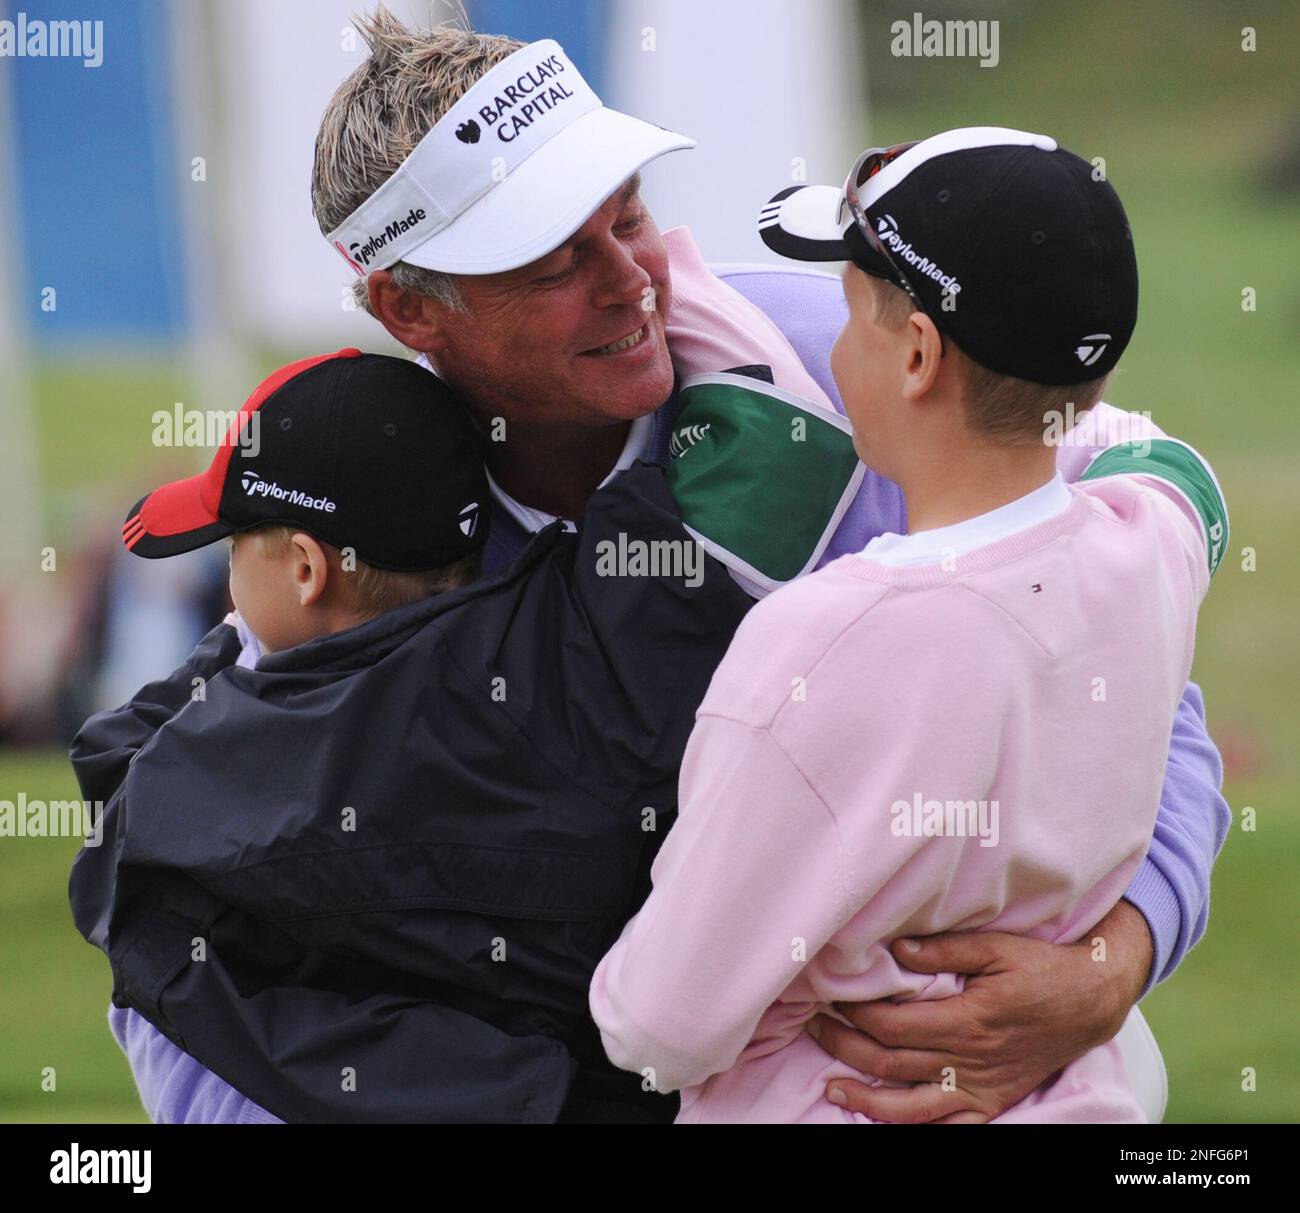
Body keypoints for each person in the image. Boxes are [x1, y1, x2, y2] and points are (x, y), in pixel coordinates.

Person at [105, 14, 1228, 1125]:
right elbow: (204, 912)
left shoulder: (854, 355)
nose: (629, 280)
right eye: (554, 263)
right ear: (408, 307)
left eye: (630, 216)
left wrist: (1108, 964)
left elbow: (1133, 694)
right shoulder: (359, 510)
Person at [589, 128, 1228, 1122]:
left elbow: (664, 1020)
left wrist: (615, 1001)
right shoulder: (1144, 545)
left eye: (848, 319)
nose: (829, 348)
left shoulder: (818, 642)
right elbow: (1173, 470)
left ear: (919, 354)